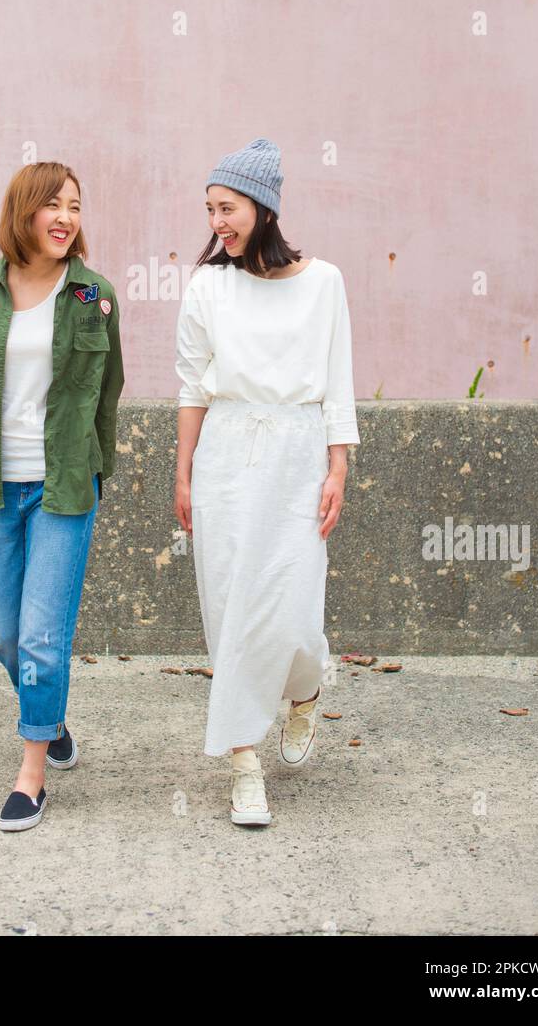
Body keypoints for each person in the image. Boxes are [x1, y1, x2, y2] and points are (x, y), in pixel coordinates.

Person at [173, 137, 360, 827]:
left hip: (297, 455)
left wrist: (338, 464)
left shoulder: (324, 282)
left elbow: (336, 375)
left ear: (264, 207)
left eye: (227, 208)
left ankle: (306, 691)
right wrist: (183, 470)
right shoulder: (207, 286)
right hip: (225, 454)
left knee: (294, 611)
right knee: (231, 613)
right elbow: (193, 384)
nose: (216, 222)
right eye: (209, 210)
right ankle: (243, 765)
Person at [0, 162, 124, 832]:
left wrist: (93, 472)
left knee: (44, 637)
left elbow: (108, 394)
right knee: (3, 633)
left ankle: (31, 775)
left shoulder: (92, 296)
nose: (65, 217)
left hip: (62, 485)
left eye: (75, 205)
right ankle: (50, 722)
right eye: (52, 204)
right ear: (22, 211)